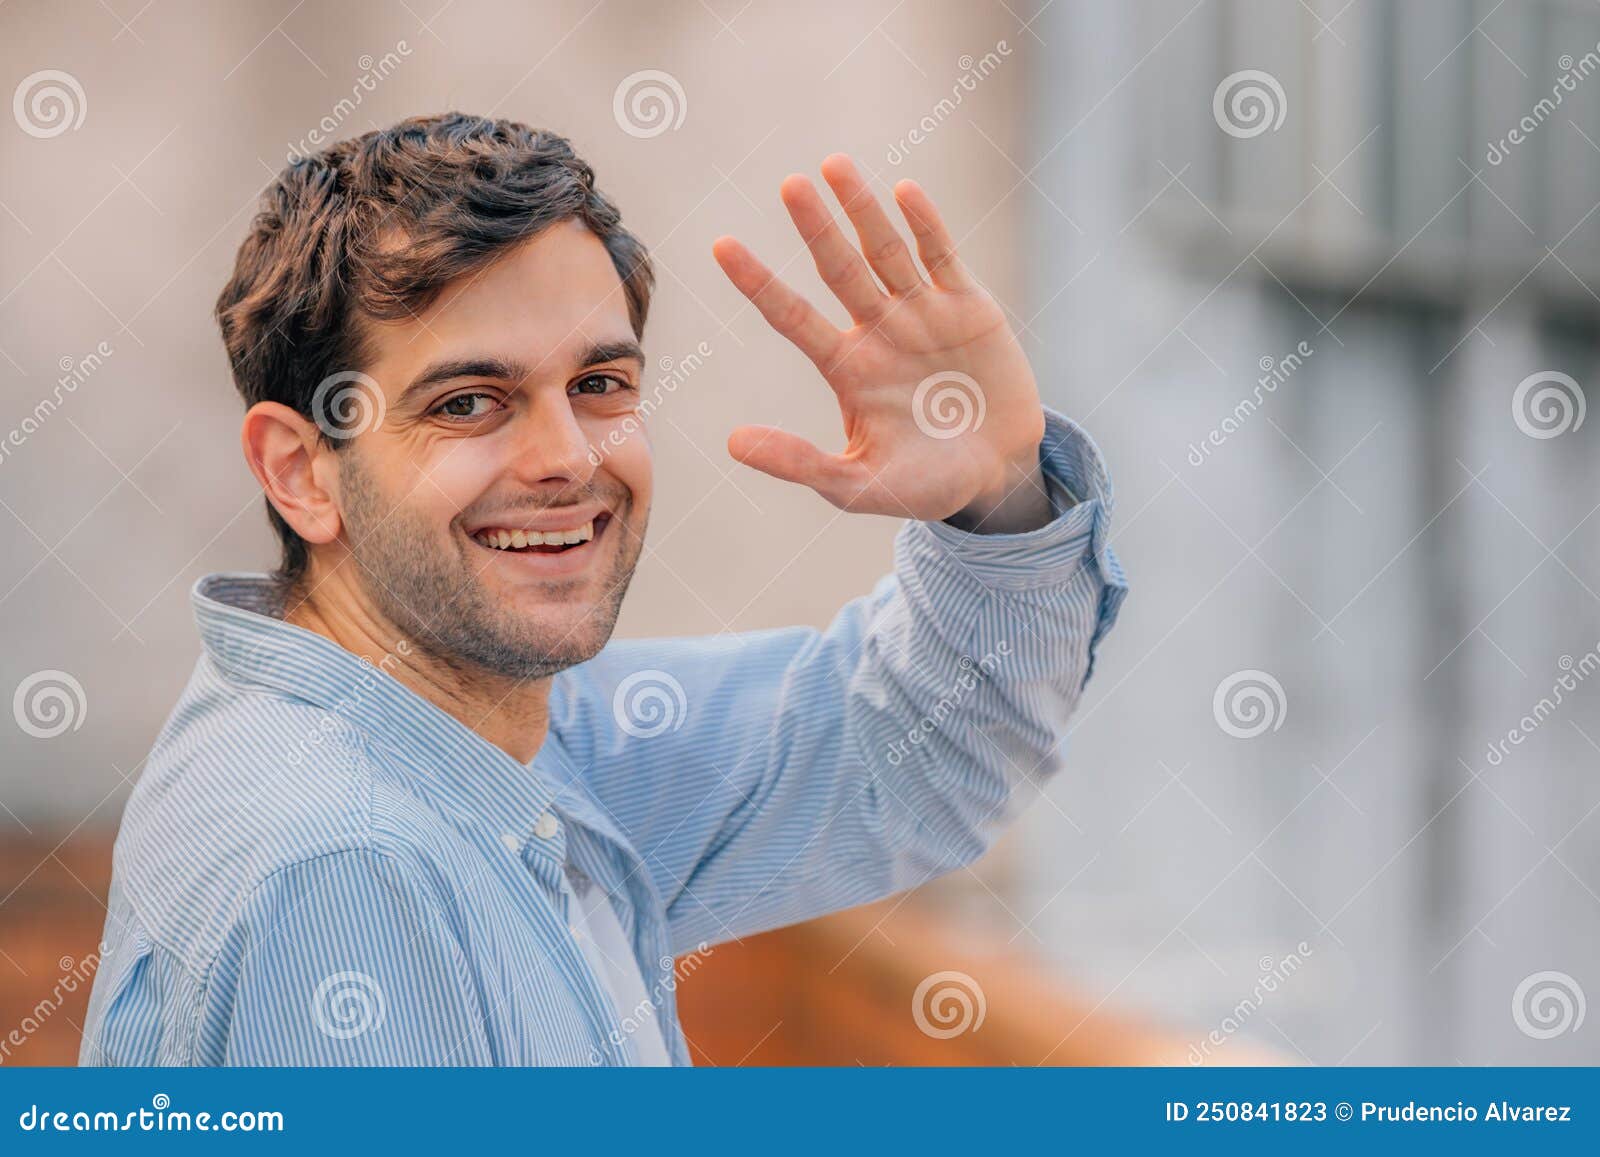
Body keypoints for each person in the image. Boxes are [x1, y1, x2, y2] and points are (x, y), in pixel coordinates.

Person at [78, 112, 1126, 1066]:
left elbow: (916, 752)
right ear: (302, 470)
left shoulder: (511, 729)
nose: (565, 457)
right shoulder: (349, 866)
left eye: (597, 385)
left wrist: (996, 495)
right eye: (469, 401)